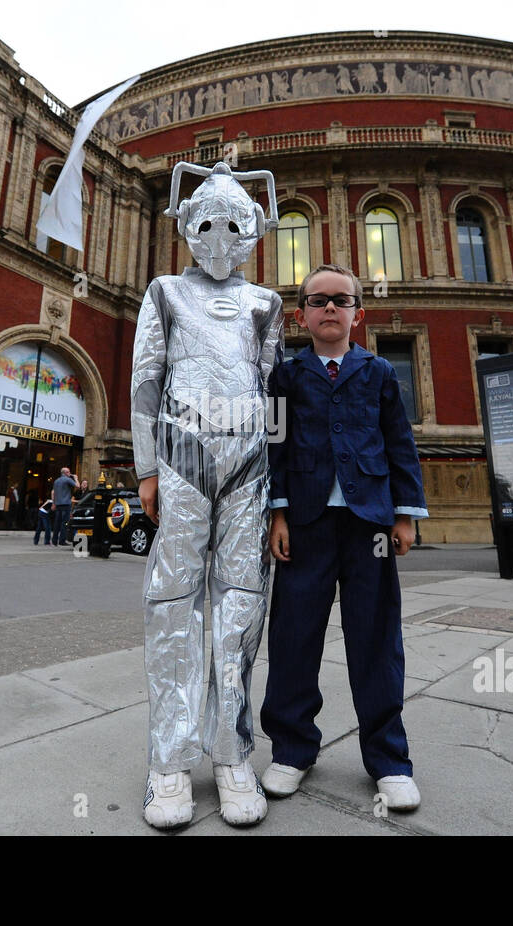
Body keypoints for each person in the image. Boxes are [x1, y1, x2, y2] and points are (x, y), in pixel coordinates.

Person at [131, 160, 283, 829]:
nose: (221, 238)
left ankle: (230, 753)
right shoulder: (164, 291)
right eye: (208, 224)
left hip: (249, 460)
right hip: (184, 452)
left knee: (242, 601)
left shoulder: (267, 304)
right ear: (187, 225)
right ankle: (169, 760)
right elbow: (145, 379)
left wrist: (274, 478)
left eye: (235, 225)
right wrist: (146, 468)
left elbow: (272, 387)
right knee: (173, 597)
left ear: (253, 229)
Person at [259, 263, 429, 813]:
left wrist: (405, 514)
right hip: (304, 523)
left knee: (377, 639)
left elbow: (399, 443)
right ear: (300, 314)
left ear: (360, 312)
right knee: (293, 635)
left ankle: (389, 760)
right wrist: (276, 514)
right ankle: (291, 748)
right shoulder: (285, 376)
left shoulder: (378, 372)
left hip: (371, 524)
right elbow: (276, 447)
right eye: (318, 300)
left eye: (341, 299)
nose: (330, 308)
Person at [51, 467, 78, 546]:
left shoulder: (56, 481)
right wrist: (76, 478)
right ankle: (62, 540)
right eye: (69, 472)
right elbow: (78, 486)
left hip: (58, 504)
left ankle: (54, 540)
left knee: (57, 523)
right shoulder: (67, 479)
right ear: (65, 473)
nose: (70, 473)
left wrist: (54, 503)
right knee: (65, 523)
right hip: (66, 504)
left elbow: (54, 493)